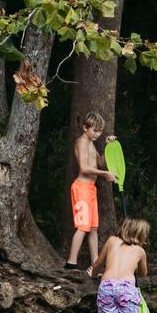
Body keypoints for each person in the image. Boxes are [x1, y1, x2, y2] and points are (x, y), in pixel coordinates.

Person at [66, 111, 116, 271]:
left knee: (93, 227)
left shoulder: (91, 143)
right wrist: (105, 174)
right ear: (85, 128)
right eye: (95, 130)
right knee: (83, 226)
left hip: (91, 189)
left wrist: (108, 146)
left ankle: (95, 263)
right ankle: (71, 263)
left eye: (100, 131)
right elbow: (84, 168)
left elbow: (100, 163)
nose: (98, 134)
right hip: (81, 188)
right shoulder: (81, 142)